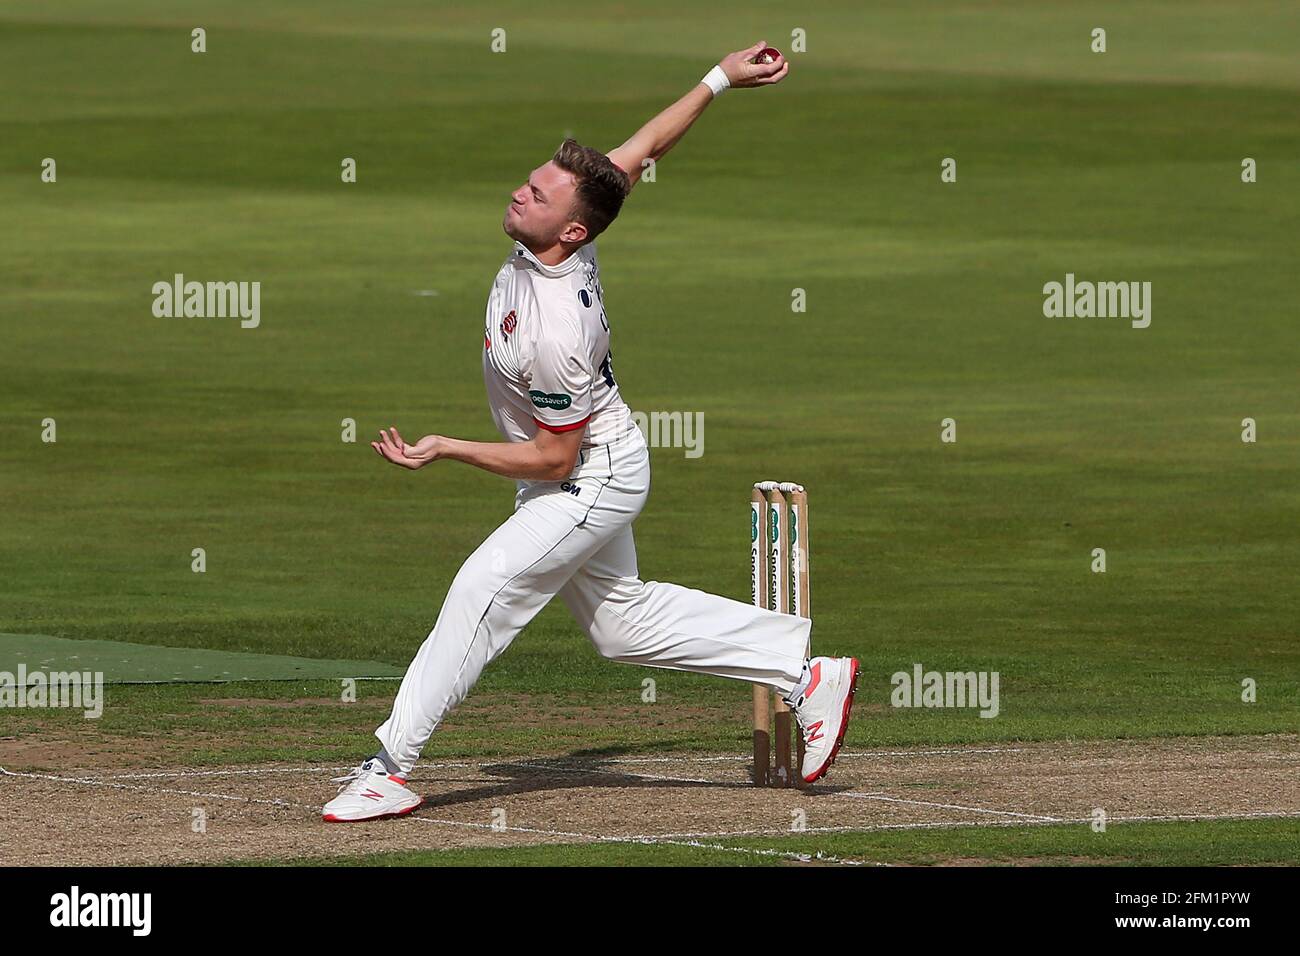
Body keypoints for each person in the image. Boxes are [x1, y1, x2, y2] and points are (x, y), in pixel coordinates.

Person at [324, 41, 858, 822]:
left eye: (537, 196)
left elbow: (553, 454)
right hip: (584, 467)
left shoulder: (553, 330)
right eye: (530, 181)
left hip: (587, 475)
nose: (520, 194)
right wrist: (719, 78)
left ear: (572, 233)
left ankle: (389, 766)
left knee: (483, 588)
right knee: (621, 626)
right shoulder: (576, 215)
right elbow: (641, 151)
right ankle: (803, 672)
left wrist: (448, 448)